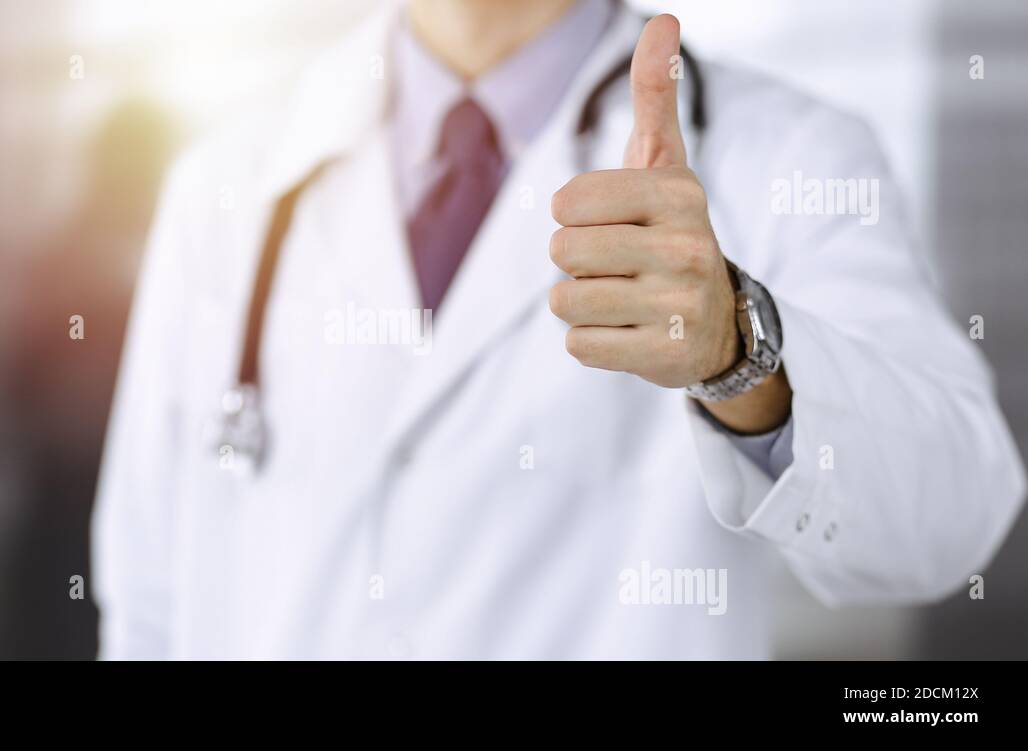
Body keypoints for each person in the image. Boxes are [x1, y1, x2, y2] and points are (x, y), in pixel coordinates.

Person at [94, 0, 1026, 658]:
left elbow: (954, 515)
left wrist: (741, 353)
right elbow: (146, 595)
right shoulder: (228, 179)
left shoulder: (788, 155)